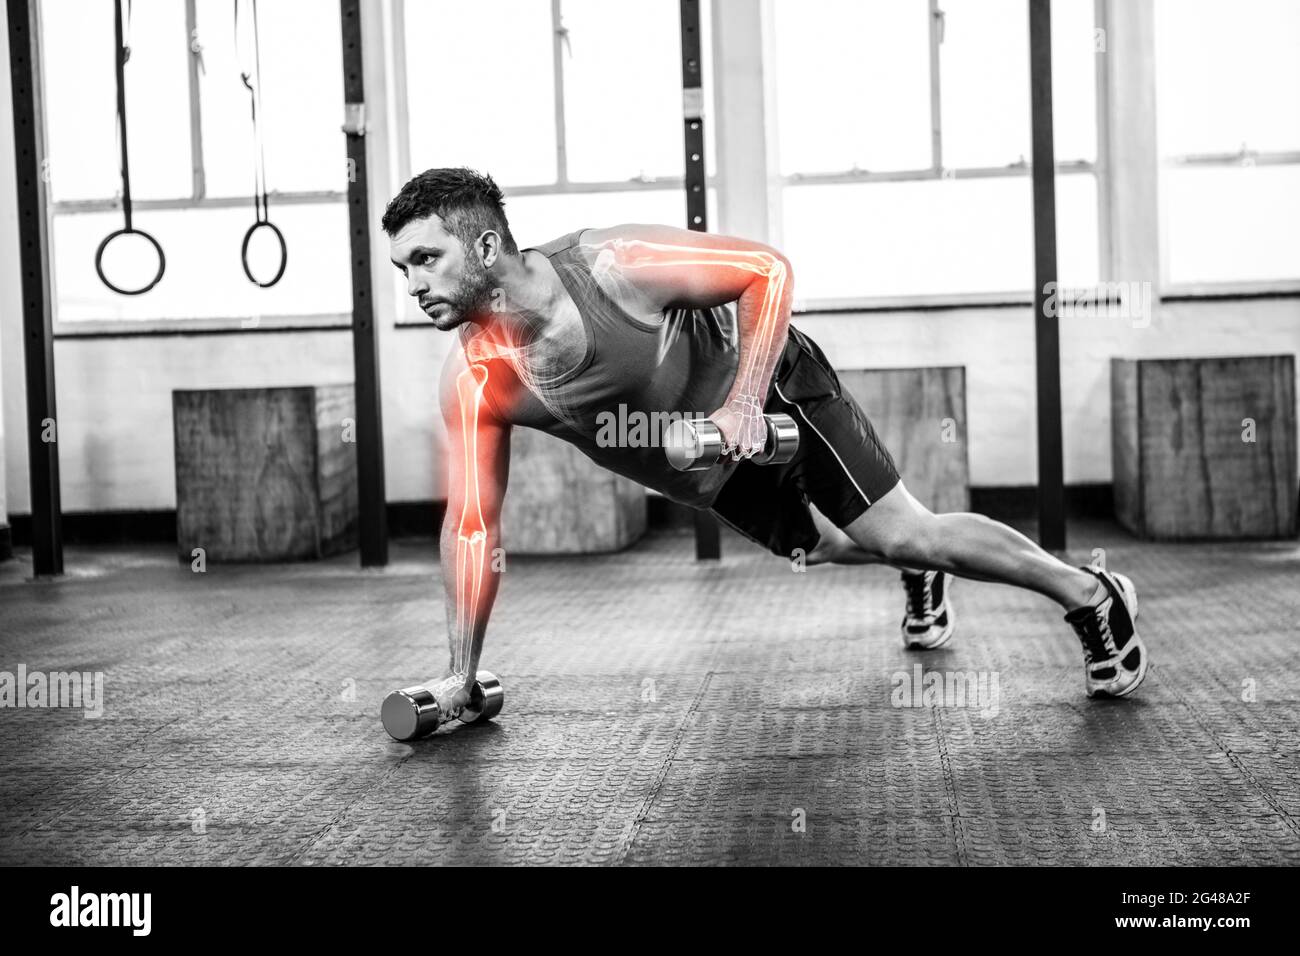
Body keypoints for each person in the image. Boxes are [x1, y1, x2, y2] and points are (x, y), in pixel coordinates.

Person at [382, 167, 1148, 719]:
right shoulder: (476, 381)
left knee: (904, 531)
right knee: (826, 547)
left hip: (770, 383)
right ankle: (915, 574)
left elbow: (764, 270)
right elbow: (472, 527)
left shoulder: (612, 268)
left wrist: (745, 403)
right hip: (705, 470)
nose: (412, 284)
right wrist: (460, 675)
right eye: (401, 268)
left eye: (426, 258)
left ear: (485, 248)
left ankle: (1091, 595)